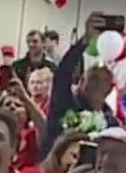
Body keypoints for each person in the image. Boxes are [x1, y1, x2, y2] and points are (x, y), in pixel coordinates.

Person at [41, 15, 121, 157]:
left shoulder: (111, 122)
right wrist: (85, 40)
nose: (97, 84)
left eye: (103, 80)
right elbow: (62, 74)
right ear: (81, 81)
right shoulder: (64, 102)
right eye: (93, 78)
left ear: (109, 89)